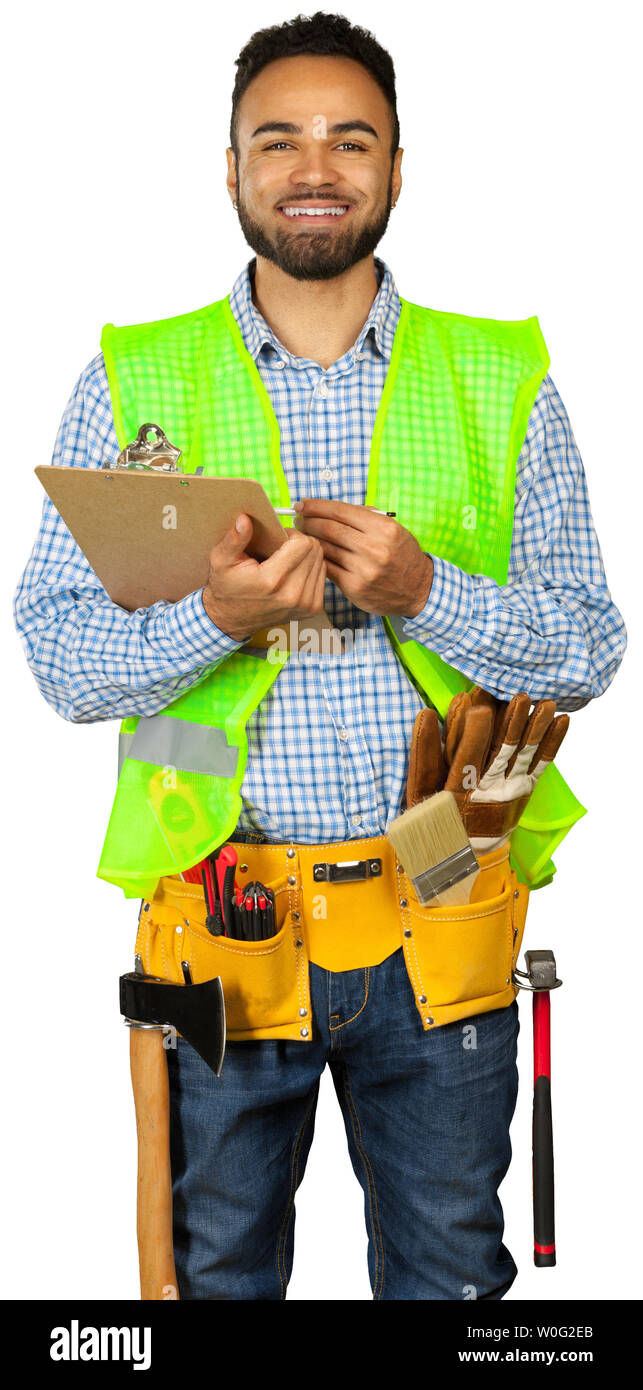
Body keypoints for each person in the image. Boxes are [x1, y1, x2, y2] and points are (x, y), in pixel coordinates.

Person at [14, 12, 626, 1300]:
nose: (315, 165)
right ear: (228, 166)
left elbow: (587, 647)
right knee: (213, 1277)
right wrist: (215, 621)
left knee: (453, 1279)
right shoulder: (137, 381)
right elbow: (63, 661)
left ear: (399, 168)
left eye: (353, 140)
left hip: (442, 896)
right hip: (215, 921)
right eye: (277, 137)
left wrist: (425, 592)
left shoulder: (499, 378)